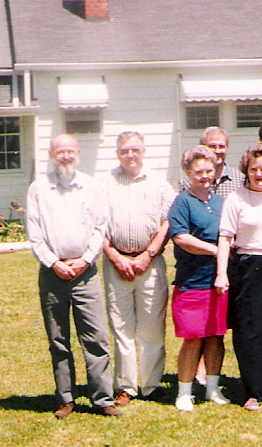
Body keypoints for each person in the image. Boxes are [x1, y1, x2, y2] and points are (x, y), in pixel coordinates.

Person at [25, 134, 120, 418]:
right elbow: (35, 233)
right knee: (58, 339)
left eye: (69, 151)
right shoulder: (38, 189)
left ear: (78, 153)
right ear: (51, 155)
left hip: (85, 273)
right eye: (59, 151)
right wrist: (55, 263)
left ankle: (103, 399)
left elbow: (100, 228)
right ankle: (66, 398)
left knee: (96, 338)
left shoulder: (92, 186)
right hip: (52, 273)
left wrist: (85, 260)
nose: (65, 156)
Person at [101, 131, 176, 405]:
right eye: (124, 151)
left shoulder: (158, 183)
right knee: (121, 327)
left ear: (143, 151)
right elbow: (95, 224)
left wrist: (149, 253)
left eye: (135, 150)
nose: (130, 155)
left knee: (152, 328)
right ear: (117, 153)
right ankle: (126, 387)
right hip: (115, 263)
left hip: (150, 263)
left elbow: (169, 221)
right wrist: (114, 256)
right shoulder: (105, 183)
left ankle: (152, 385)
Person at [215, 143, 262, 410]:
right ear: (245, 171)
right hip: (248, 265)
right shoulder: (235, 199)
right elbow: (225, 237)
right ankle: (252, 391)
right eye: (253, 169)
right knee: (250, 329)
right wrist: (222, 274)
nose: (259, 174)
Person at [167, 146, 231, 411]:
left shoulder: (220, 202)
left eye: (209, 170)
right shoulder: (182, 202)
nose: (205, 176)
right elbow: (181, 238)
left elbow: (230, 233)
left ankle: (213, 389)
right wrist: (214, 249)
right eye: (199, 172)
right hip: (192, 283)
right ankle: (184, 392)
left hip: (218, 281)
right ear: (188, 173)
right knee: (193, 338)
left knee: (216, 337)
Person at [180, 126, 244, 197]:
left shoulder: (240, 180)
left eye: (221, 146)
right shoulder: (189, 183)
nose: (217, 151)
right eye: (212, 147)